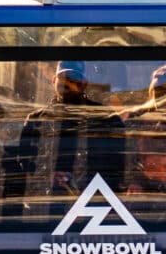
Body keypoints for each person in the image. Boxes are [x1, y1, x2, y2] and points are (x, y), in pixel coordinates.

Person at [7, 59, 126, 201]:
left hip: (90, 201)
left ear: (84, 84)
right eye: (63, 77)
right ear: (54, 80)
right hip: (45, 204)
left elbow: (117, 162)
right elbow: (23, 161)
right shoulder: (36, 120)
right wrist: (48, 174)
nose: (67, 83)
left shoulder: (105, 118)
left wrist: (81, 180)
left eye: (74, 79)